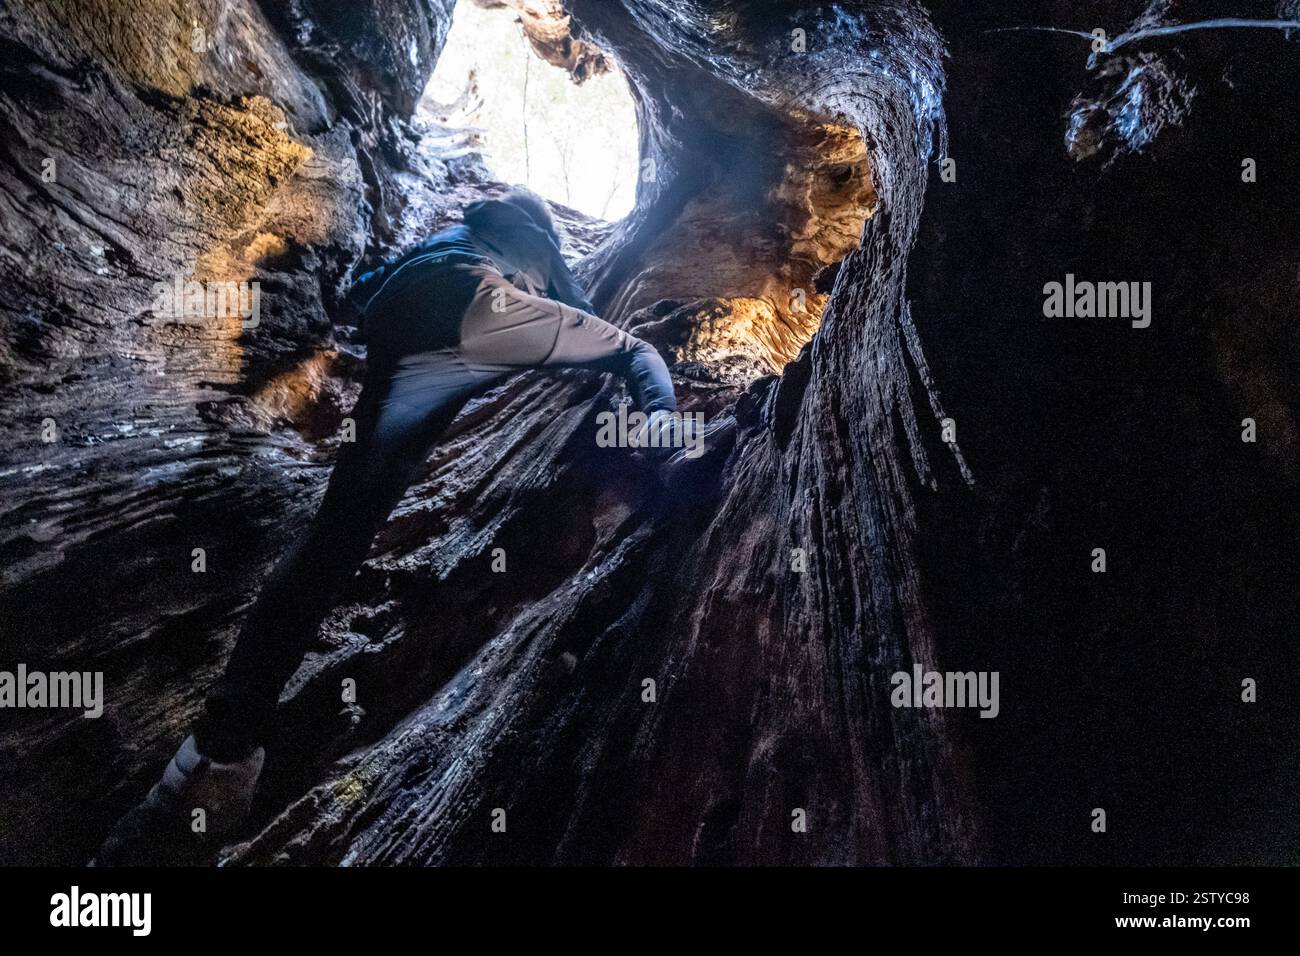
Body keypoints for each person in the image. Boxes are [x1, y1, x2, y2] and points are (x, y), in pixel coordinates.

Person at [96, 188, 732, 865]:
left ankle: (212, 758)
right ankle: (670, 441)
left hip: (402, 340)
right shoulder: (532, 236)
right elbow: (582, 310)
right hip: (471, 310)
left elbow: (368, 286)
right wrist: (589, 340)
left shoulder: (461, 228)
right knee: (637, 353)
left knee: (334, 541)